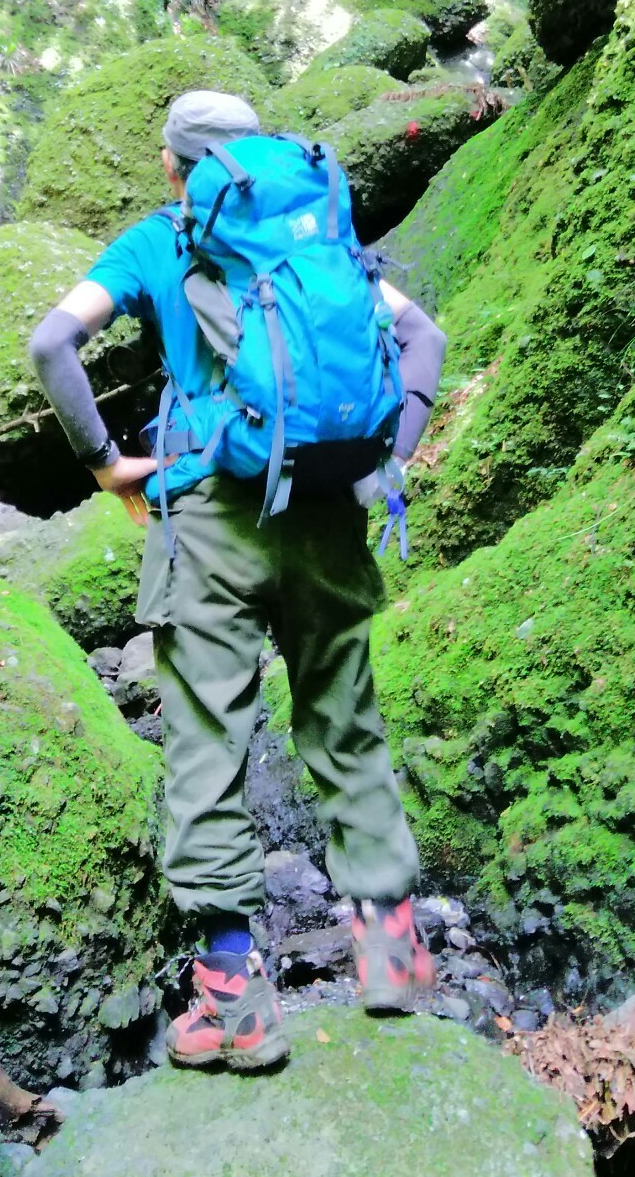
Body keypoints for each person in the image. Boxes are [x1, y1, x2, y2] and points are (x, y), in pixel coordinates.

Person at [29, 89, 447, 1073]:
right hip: (327, 513)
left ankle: (235, 1001)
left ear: (174, 167)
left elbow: (51, 344)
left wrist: (105, 464)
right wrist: (387, 463)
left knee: (208, 741)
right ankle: (391, 955)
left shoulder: (155, 241)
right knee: (343, 720)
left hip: (209, 520)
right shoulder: (311, 236)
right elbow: (422, 338)